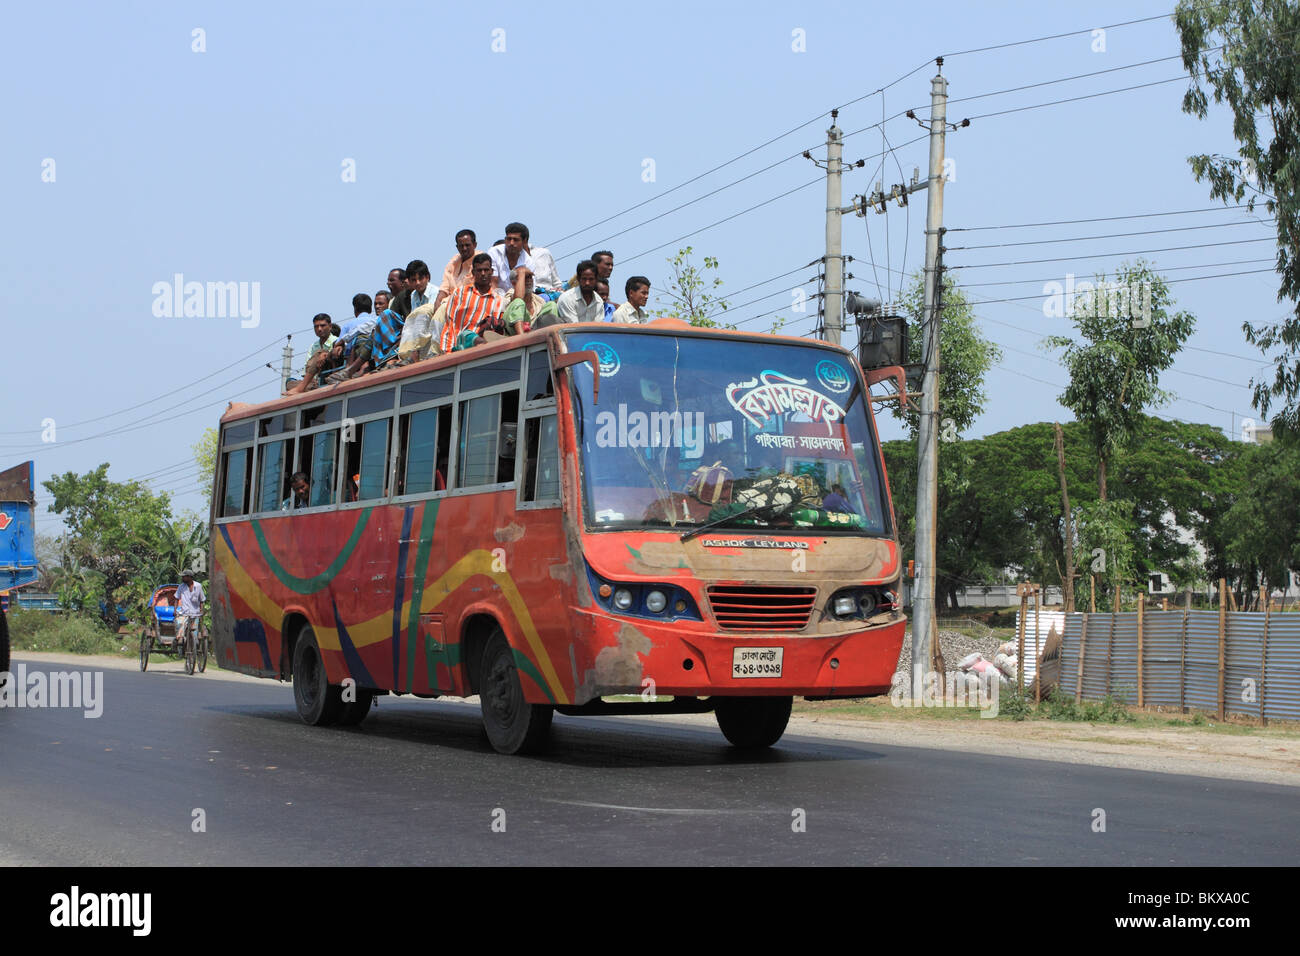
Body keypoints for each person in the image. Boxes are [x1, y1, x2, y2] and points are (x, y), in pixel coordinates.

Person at [442, 253, 506, 351]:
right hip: (460, 346)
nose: (483, 273)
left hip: (484, 349)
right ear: (473, 272)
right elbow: (449, 324)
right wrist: (447, 352)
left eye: (486, 270)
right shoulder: (459, 293)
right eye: (479, 270)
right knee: (467, 334)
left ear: (491, 272)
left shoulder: (499, 301)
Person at [287, 313, 339, 394]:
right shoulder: (313, 346)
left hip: (328, 378)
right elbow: (306, 369)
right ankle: (308, 387)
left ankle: (303, 388)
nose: (319, 329)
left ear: (330, 326)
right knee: (289, 383)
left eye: (322, 325)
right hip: (312, 382)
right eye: (316, 326)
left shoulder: (337, 341)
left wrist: (325, 354)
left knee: (320, 353)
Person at [435, 229, 479, 310]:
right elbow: (444, 289)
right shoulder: (454, 261)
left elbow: (470, 292)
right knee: (424, 310)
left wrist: (444, 303)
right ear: (457, 247)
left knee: (442, 309)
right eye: (461, 246)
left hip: (467, 303)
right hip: (447, 302)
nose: (464, 248)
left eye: (467, 245)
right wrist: (437, 302)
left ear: (475, 245)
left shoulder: (480, 261)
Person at [488, 223, 533, 295]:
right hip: (496, 298)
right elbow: (493, 282)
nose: (511, 243)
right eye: (509, 239)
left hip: (518, 299)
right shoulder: (494, 252)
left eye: (515, 240)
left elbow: (527, 290)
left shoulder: (528, 261)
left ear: (524, 241)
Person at [175, 571, 205, 656]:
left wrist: (201, 610)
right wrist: (175, 610)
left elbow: (202, 600)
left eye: (184, 577)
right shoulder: (181, 587)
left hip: (195, 613)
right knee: (179, 624)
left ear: (189, 577)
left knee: (194, 631)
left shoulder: (198, 586)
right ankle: (180, 641)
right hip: (183, 612)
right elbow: (176, 598)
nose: (182, 578)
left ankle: (194, 645)